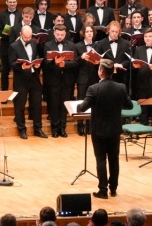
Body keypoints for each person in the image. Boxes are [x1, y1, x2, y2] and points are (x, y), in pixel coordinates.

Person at [78, 60, 134, 198]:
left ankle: (103, 190)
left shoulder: (94, 88)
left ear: (101, 72)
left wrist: (78, 106)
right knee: (114, 159)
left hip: (99, 130)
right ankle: (113, 189)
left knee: (101, 159)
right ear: (113, 72)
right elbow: (129, 106)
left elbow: (83, 107)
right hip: (114, 129)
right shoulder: (121, 87)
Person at [10, 25, 47, 139]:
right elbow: (11, 63)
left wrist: (37, 63)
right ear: (21, 34)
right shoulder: (13, 46)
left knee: (37, 105)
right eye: (26, 37)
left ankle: (38, 128)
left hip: (34, 78)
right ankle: (22, 129)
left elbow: (35, 55)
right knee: (20, 106)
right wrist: (22, 66)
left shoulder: (33, 43)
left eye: (30, 37)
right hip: (21, 80)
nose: (28, 39)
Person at [43, 24, 78, 138]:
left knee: (64, 106)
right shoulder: (48, 45)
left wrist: (65, 64)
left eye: (62, 35)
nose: (60, 37)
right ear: (54, 33)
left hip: (67, 80)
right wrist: (55, 62)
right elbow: (46, 63)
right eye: (58, 34)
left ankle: (62, 128)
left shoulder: (71, 45)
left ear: (65, 34)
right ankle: (54, 128)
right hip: (54, 80)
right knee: (54, 105)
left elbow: (75, 62)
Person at [74, 25, 100, 137]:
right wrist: (81, 58)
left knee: (93, 101)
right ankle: (80, 125)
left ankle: (90, 126)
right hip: (82, 77)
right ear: (83, 33)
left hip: (94, 77)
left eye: (91, 31)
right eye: (87, 31)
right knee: (81, 100)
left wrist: (98, 61)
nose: (89, 33)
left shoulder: (97, 45)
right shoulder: (78, 46)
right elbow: (74, 62)